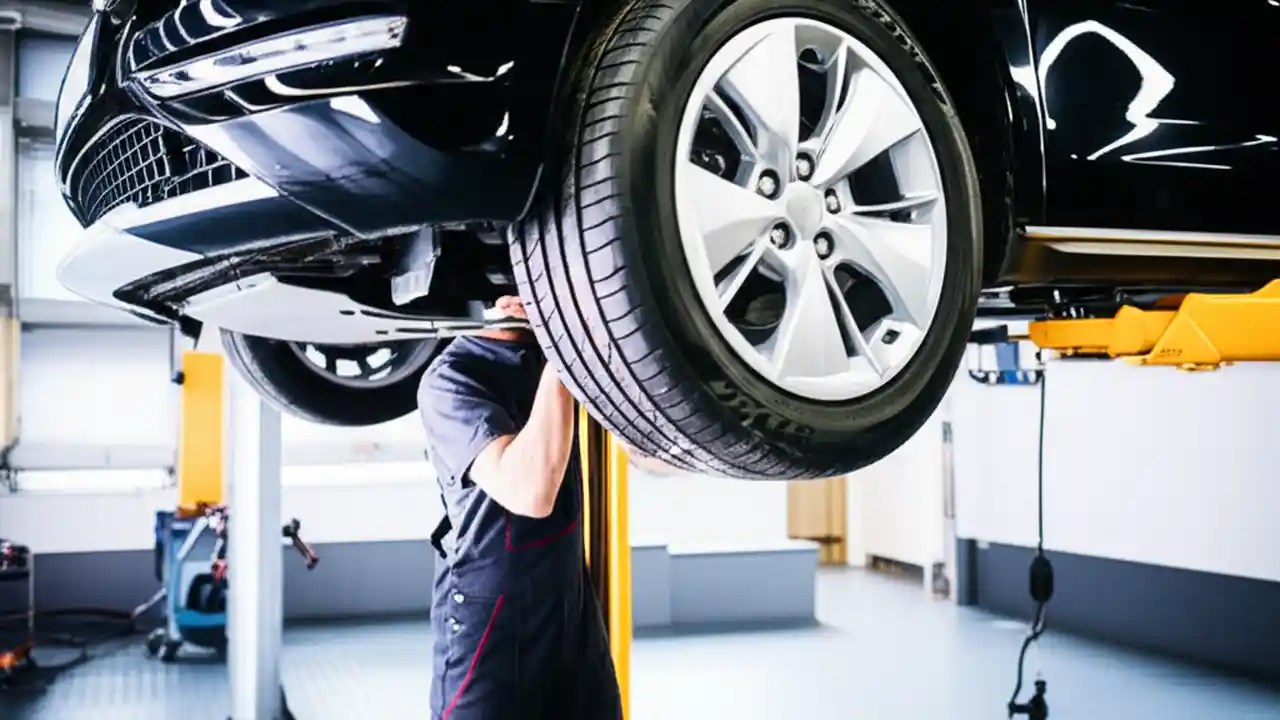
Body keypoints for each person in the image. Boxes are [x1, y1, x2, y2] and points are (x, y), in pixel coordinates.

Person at [417, 295, 623, 720]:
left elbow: (645, 452)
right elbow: (530, 491)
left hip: (570, 622)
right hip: (491, 637)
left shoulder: (554, 356)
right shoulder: (450, 380)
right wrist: (566, 343)